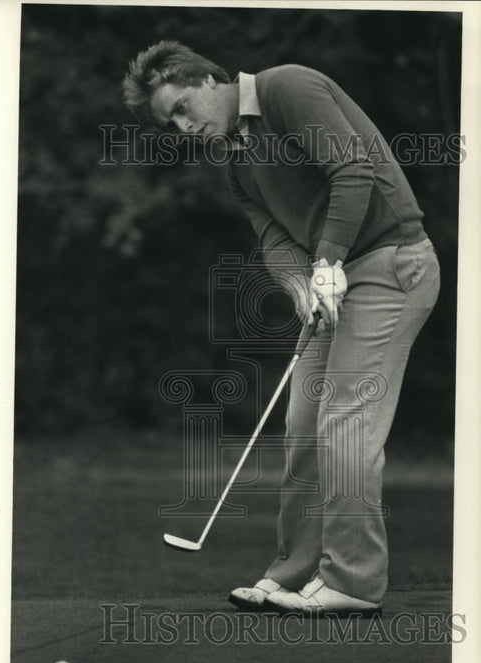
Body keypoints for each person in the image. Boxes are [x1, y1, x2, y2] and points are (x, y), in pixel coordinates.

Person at [122, 41, 440, 615]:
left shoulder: (285, 87)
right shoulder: (234, 160)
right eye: (171, 123)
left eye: (183, 107)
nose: (184, 127)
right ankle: (295, 573)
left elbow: (352, 169)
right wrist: (300, 283)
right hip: (335, 276)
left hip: (392, 263)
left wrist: (328, 261)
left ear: (208, 79)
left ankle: (352, 582)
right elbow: (273, 236)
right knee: (303, 424)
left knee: (346, 421)